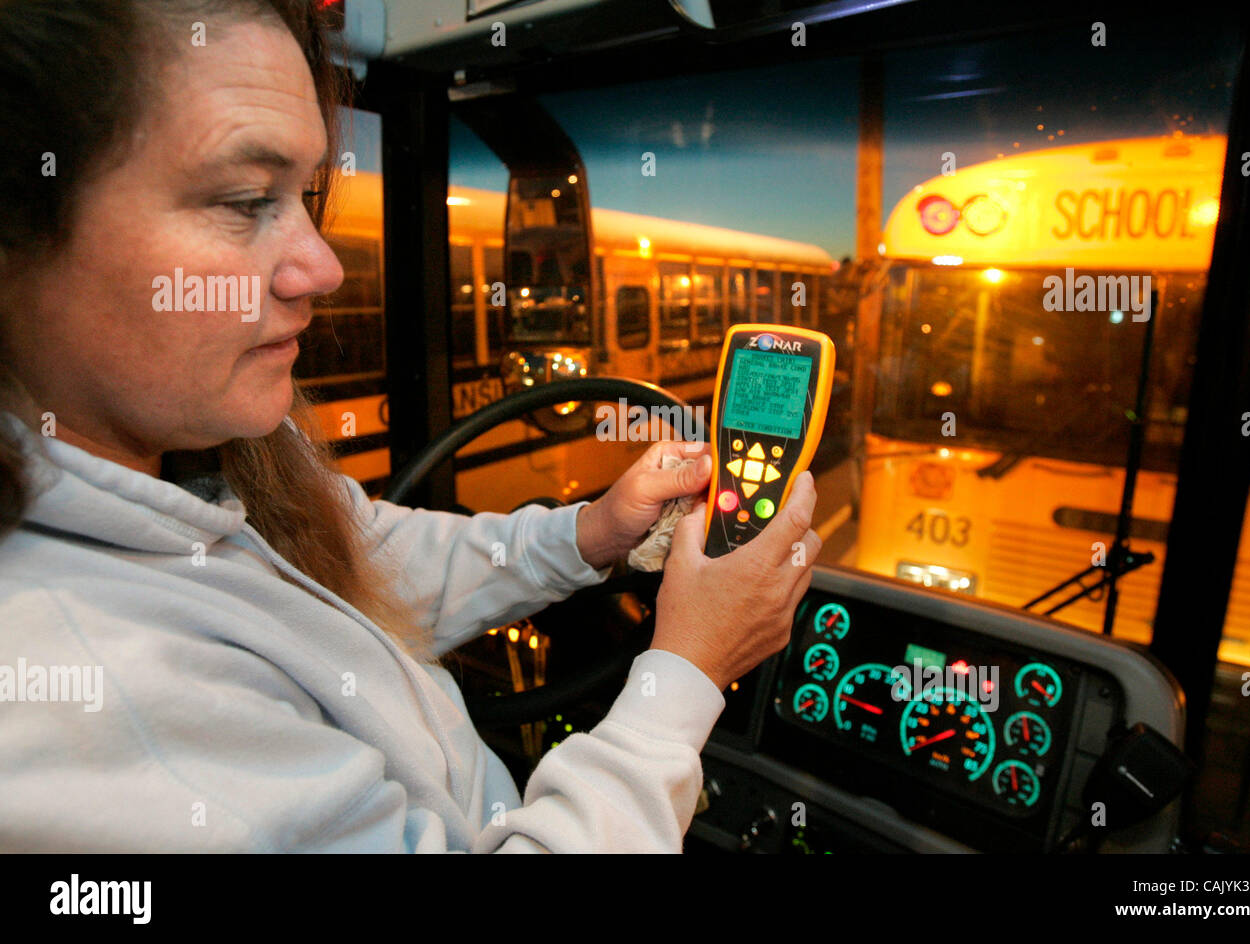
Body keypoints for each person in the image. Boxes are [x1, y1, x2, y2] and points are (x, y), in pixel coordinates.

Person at [0, 0, 821, 852]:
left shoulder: (202, 457)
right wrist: (685, 678)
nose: (320, 267)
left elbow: (364, 559)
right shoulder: (78, 713)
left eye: (305, 195)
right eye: (246, 200)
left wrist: (585, 536)